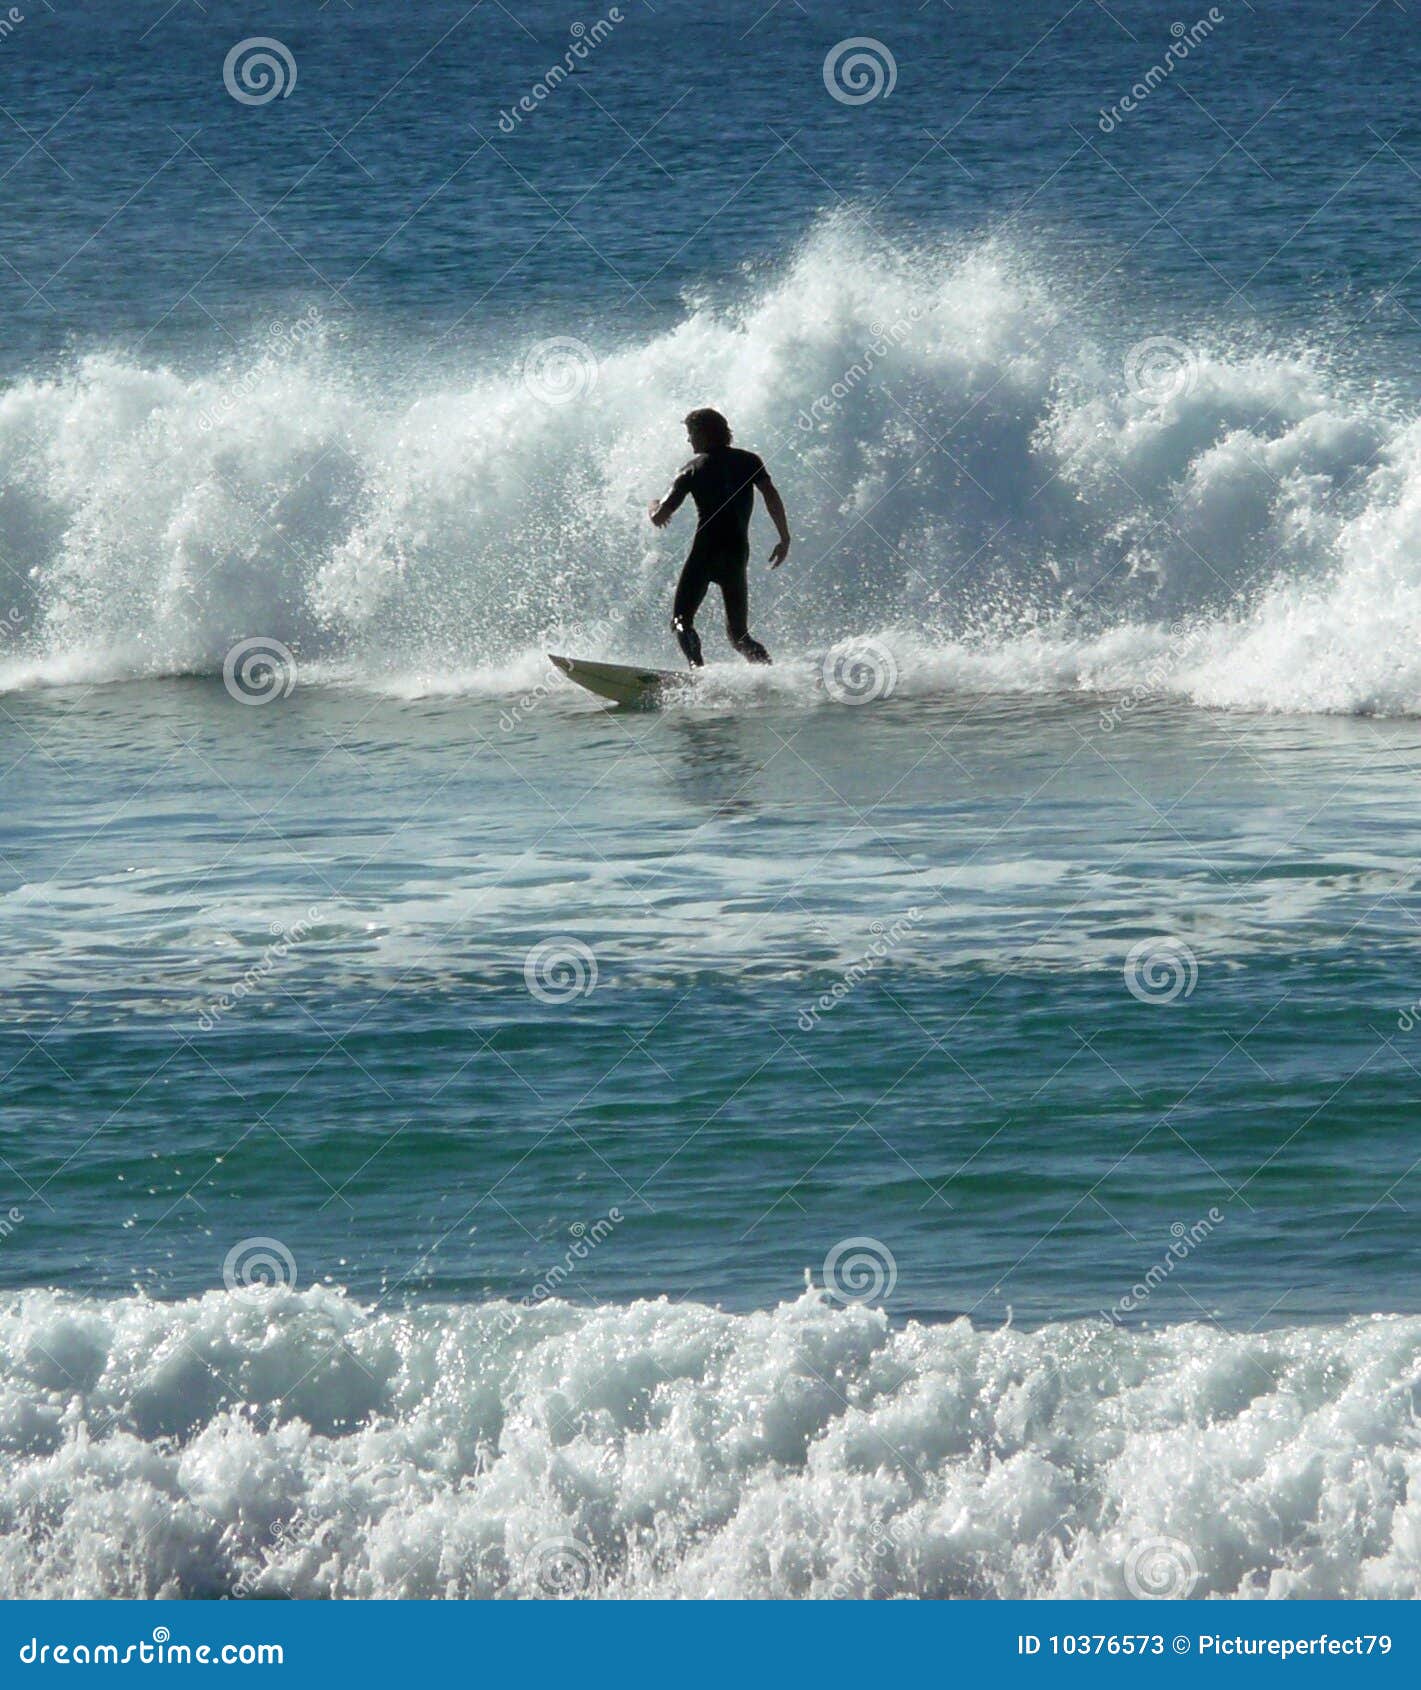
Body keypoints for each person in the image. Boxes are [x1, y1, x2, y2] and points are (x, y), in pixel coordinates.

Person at [648, 408, 790, 667]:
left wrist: (652, 504)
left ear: (703, 433)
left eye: (690, 434)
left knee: (681, 620)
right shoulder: (749, 461)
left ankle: (697, 672)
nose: (689, 440)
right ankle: (770, 675)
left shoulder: (692, 468)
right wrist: (784, 537)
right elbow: (771, 496)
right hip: (736, 555)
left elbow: (660, 517)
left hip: (705, 553)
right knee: (738, 635)